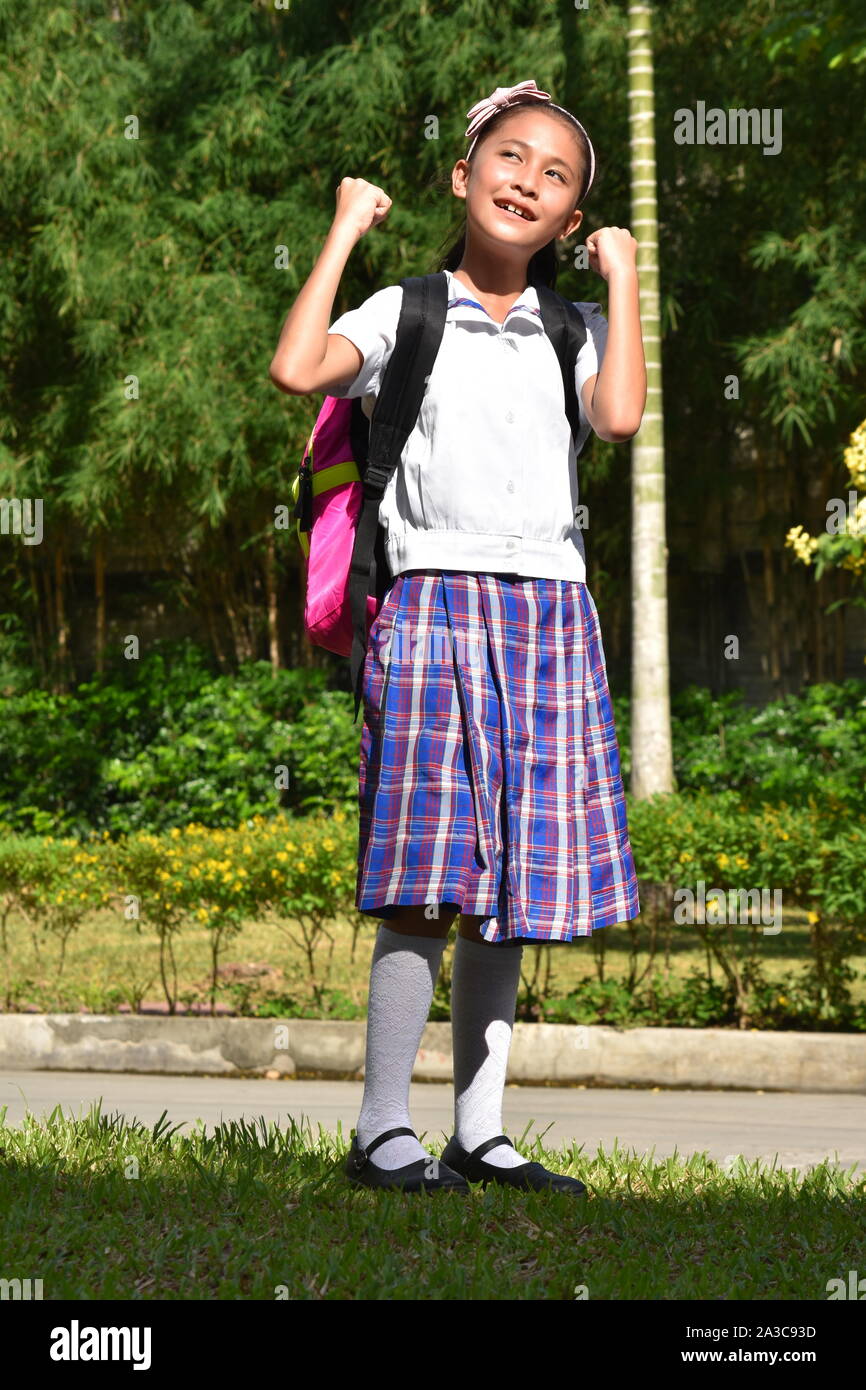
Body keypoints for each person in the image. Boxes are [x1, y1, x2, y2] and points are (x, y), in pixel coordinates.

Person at [270, 79, 646, 1193]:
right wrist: (345, 227)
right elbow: (297, 369)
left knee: (512, 881)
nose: (526, 178)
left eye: (555, 173)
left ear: (570, 222)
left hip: (546, 613)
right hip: (431, 608)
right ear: (461, 174)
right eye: (509, 155)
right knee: (423, 874)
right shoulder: (406, 308)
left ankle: (478, 1132)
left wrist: (623, 283)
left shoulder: (568, 327)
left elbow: (618, 416)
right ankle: (382, 1129)